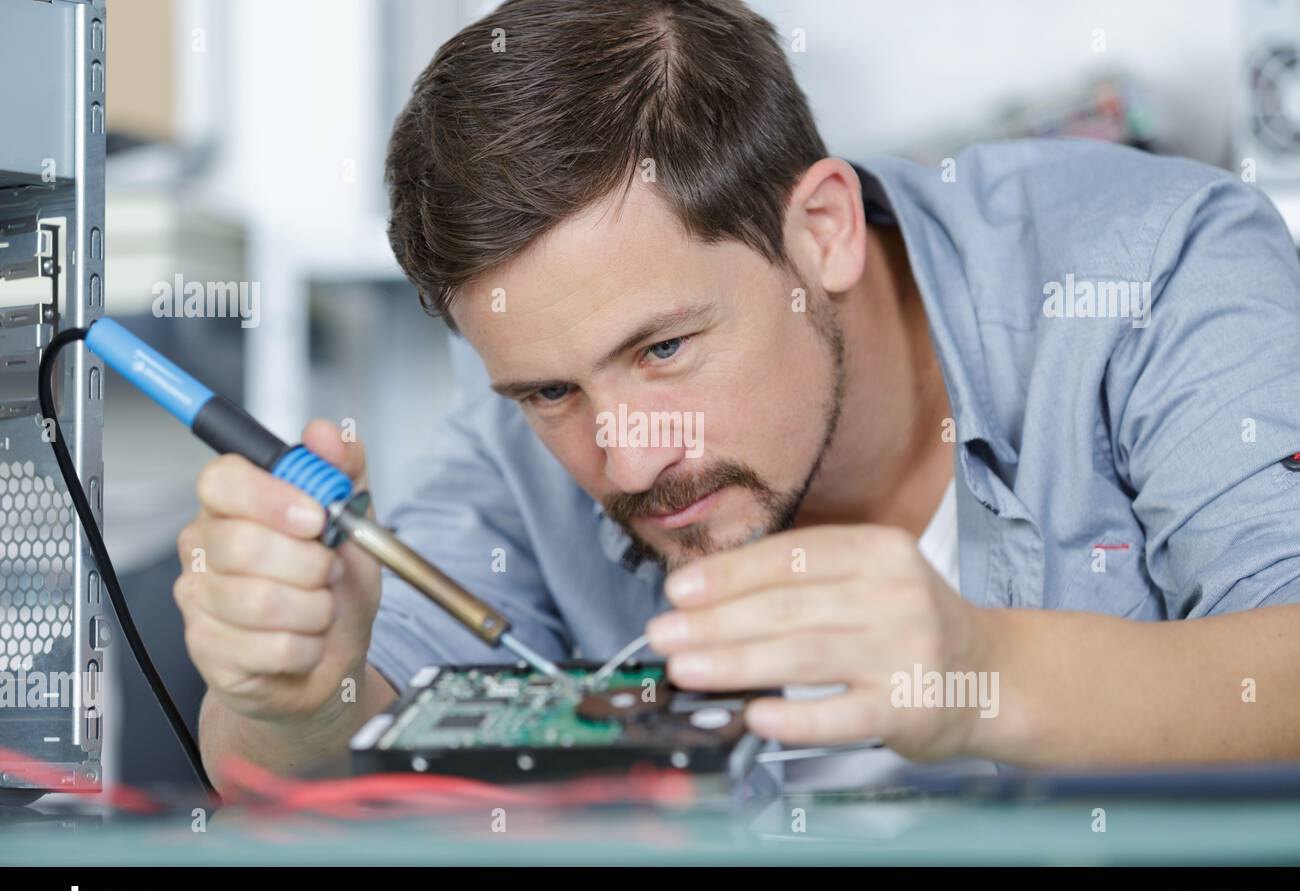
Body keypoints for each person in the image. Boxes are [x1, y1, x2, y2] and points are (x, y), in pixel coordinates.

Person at [175, 0, 1300, 787]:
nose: (624, 459)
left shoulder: (1154, 268)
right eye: (552, 390)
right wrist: (291, 699)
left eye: (663, 349)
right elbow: (325, 744)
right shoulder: (519, 442)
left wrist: (982, 672)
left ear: (820, 231)